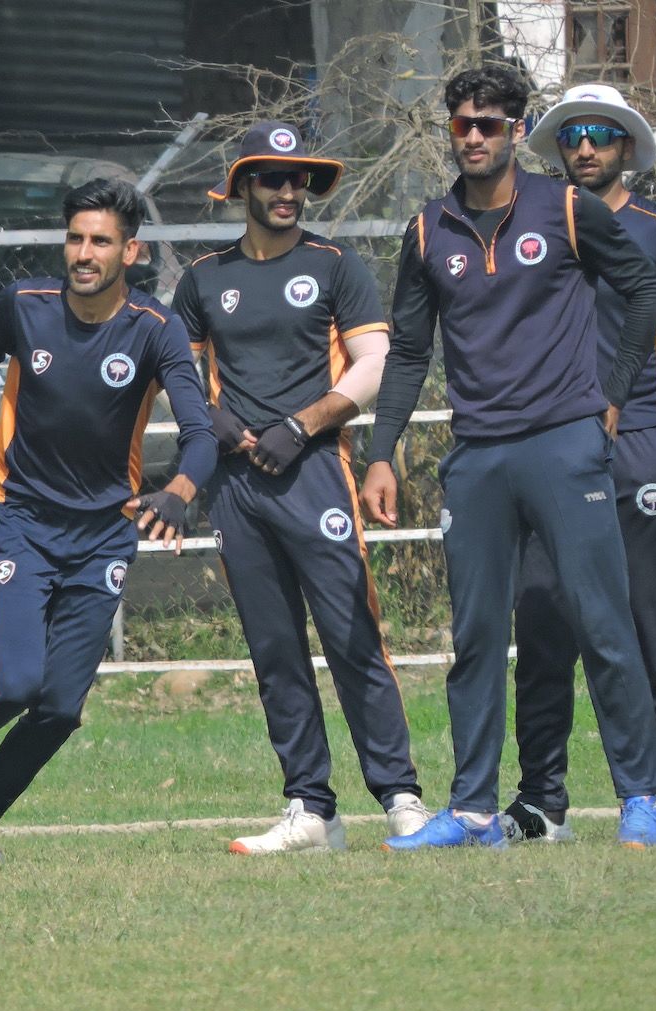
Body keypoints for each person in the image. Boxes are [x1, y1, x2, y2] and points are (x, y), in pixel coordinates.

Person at [360, 65, 656, 850]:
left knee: (603, 624)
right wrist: (381, 453)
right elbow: (406, 352)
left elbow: (644, 292)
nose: (473, 136)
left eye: (489, 124)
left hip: (567, 445)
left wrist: (610, 394)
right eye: (463, 123)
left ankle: (641, 798)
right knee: (473, 640)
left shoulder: (565, 207)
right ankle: (471, 813)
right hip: (477, 457)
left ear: (513, 130)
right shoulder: (428, 230)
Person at [0, 178, 218, 863]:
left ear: (130, 251)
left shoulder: (157, 331)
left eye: (100, 240)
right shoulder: (24, 307)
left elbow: (200, 430)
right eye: (75, 237)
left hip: (102, 537)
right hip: (24, 523)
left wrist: (180, 491)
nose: (84, 252)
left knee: (62, 708)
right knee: (14, 683)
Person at [171, 120, 431, 855]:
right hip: (235, 486)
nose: (289, 191)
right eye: (273, 178)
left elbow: (376, 361)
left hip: (314, 471)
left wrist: (305, 424)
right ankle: (310, 809)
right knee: (274, 648)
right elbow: (175, 370)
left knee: (353, 637)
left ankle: (401, 796)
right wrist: (210, 422)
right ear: (243, 186)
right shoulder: (204, 277)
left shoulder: (337, 265)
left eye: (300, 180)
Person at [506, 84, 656, 845]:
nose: (583, 148)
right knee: (541, 621)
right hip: (550, 448)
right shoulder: (536, 229)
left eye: (600, 134)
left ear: (626, 148)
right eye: (572, 135)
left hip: (640, 442)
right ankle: (542, 801)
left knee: (648, 626)